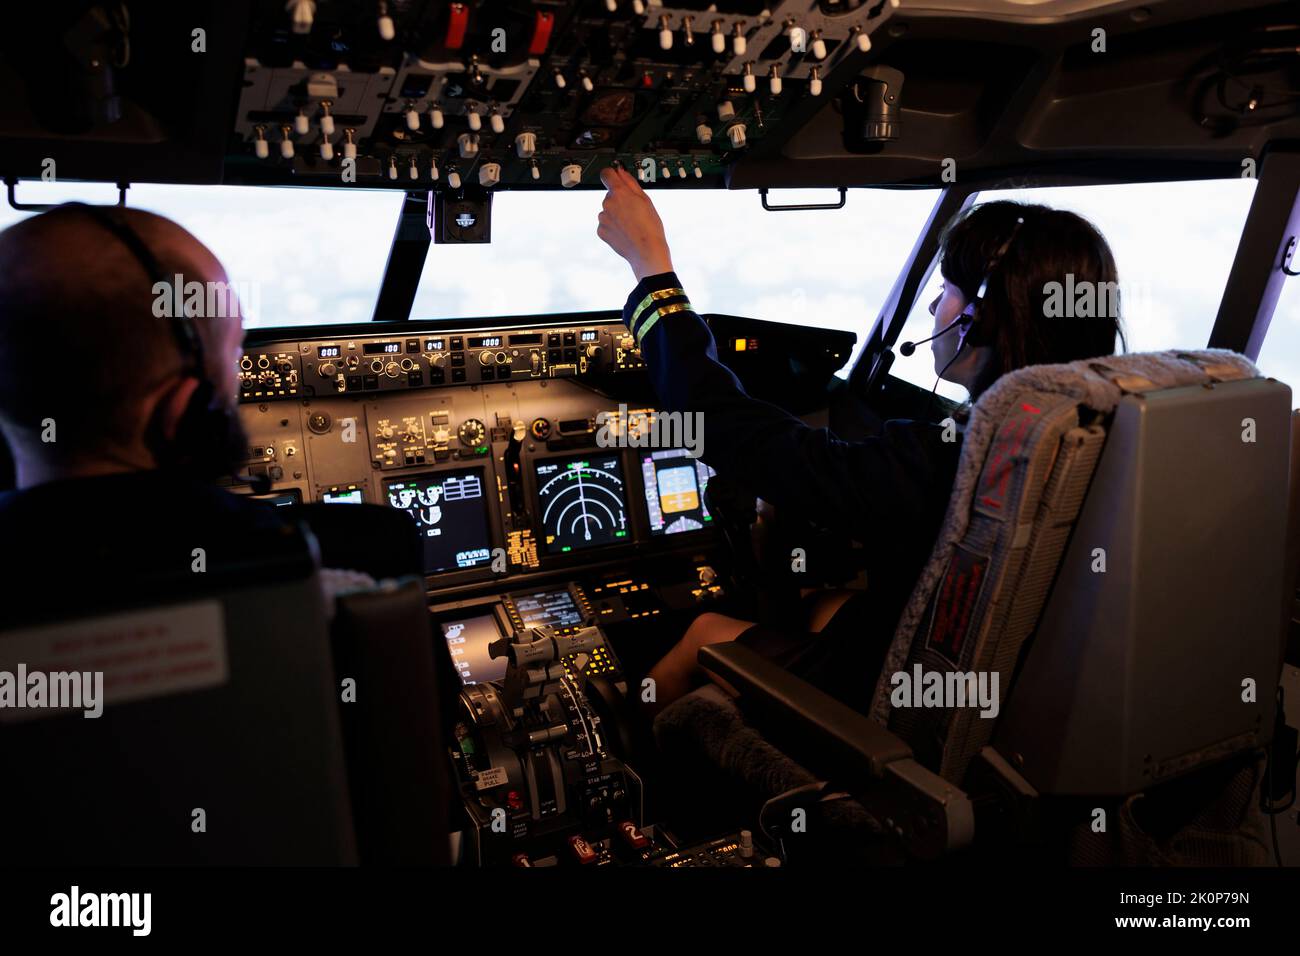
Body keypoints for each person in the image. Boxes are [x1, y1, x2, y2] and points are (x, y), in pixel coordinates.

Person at [595, 167, 1125, 716]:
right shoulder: (1102, 435)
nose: (931, 309)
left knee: (703, 630)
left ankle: (618, 761)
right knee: (822, 604)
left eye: (945, 291)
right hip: (1009, 693)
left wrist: (650, 267)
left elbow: (718, 420)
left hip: (904, 715)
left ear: (976, 320)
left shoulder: (953, 459)